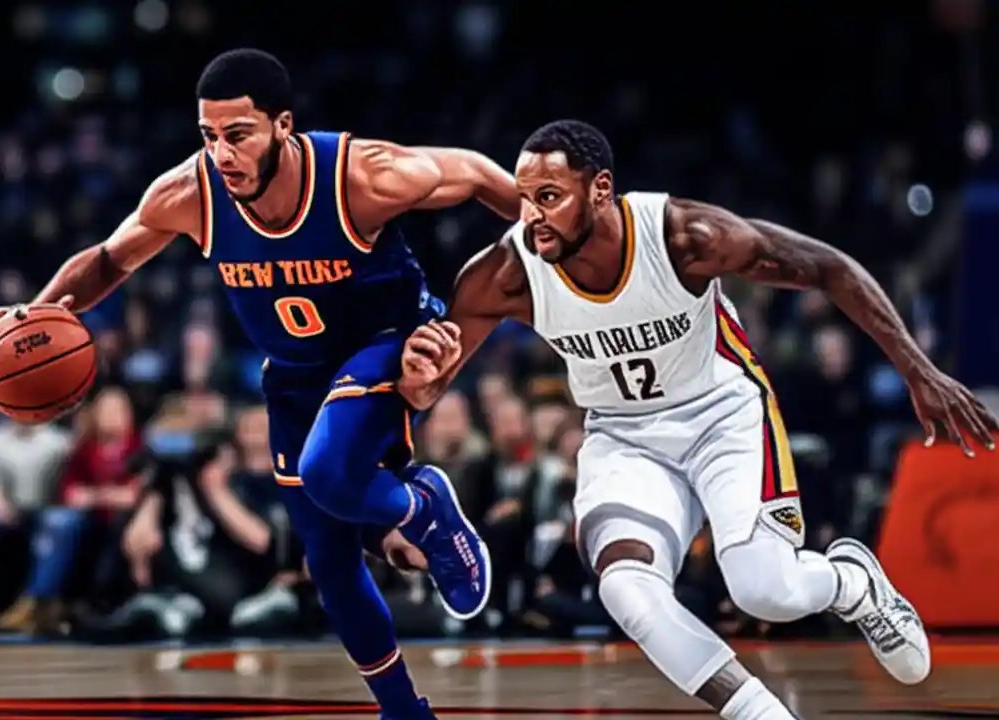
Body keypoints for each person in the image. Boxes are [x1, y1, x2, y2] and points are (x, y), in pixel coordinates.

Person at [0, 48, 519, 719]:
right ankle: (404, 711)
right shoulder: (189, 194)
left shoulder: (361, 176)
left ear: (282, 126)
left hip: (385, 346)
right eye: (208, 136)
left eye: (237, 135)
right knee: (330, 566)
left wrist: (552, 246)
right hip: (293, 375)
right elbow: (112, 258)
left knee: (327, 473)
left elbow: (475, 172)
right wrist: (43, 308)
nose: (221, 153)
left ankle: (422, 508)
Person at [395, 119, 999, 719]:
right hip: (622, 432)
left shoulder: (685, 235)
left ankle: (852, 583)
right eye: (523, 199)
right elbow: (427, 387)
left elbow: (830, 268)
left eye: (549, 197)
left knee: (765, 589)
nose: (532, 216)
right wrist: (416, 390)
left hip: (722, 415)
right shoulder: (506, 273)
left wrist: (919, 371)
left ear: (600, 190)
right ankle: (761, 715)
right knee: (626, 588)